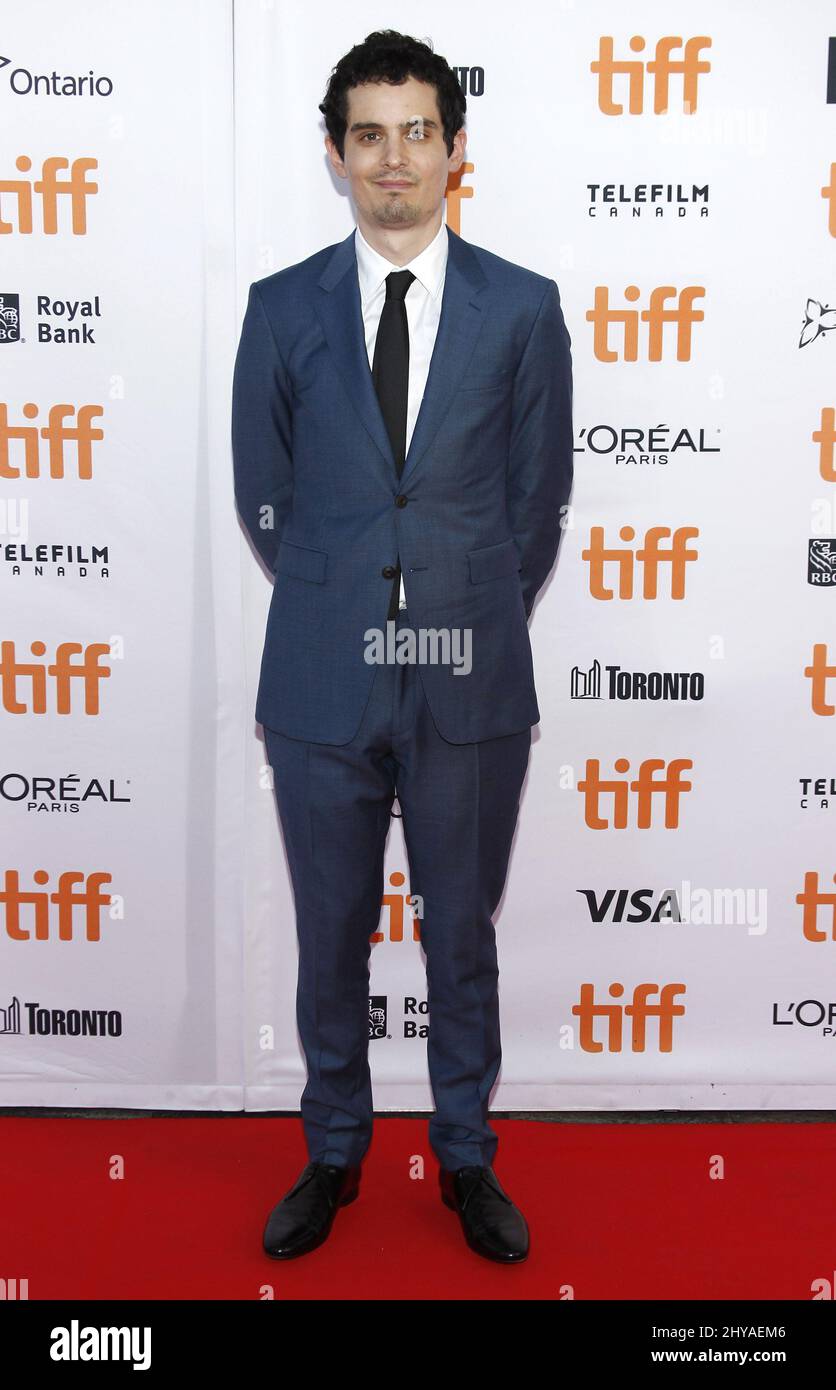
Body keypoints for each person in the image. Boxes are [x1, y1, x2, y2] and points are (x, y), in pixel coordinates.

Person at [232, 28, 573, 1264]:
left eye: (416, 131)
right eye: (367, 134)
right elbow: (262, 494)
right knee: (331, 930)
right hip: (321, 682)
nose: (394, 158)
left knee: (458, 933)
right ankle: (332, 1152)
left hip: (469, 680)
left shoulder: (522, 309)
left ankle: (466, 1156)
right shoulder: (279, 311)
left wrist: (456, 613)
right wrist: (348, 613)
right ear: (337, 155)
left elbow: (535, 509)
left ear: (453, 149)